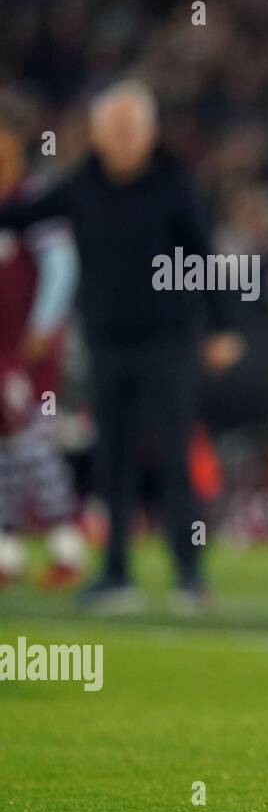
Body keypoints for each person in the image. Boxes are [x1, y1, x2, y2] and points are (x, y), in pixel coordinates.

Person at [0, 79, 243, 612]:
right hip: (108, 345)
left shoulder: (174, 186)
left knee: (176, 459)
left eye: (133, 127)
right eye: (115, 128)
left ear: (151, 132)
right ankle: (115, 575)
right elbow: (20, 218)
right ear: (97, 133)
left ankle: (189, 574)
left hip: (170, 342)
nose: (125, 138)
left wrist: (223, 326)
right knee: (112, 462)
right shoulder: (81, 185)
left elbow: (206, 254)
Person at [0, 91, 86, 588]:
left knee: (29, 442)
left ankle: (66, 542)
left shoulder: (33, 201)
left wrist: (44, 324)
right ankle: (10, 551)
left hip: (26, 346)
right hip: (2, 346)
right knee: (9, 445)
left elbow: (61, 266)